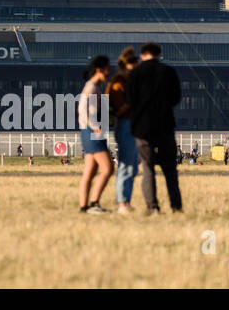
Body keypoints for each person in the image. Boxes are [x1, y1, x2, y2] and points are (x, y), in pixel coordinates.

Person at [127, 42, 182, 214]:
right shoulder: (168, 72)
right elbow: (176, 98)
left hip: (142, 128)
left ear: (142, 55)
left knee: (148, 168)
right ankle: (176, 206)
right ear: (159, 54)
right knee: (170, 169)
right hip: (165, 125)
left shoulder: (135, 73)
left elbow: (129, 100)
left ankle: (152, 207)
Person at [78, 55, 114, 214]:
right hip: (92, 132)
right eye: (107, 68)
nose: (110, 71)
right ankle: (94, 203)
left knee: (90, 171)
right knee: (108, 169)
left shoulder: (95, 86)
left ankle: (84, 206)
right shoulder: (91, 87)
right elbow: (83, 110)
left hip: (88, 132)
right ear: (99, 70)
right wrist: (96, 128)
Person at [107, 46, 139, 214]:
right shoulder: (118, 83)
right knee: (126, 165)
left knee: (133, 165)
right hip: (125, 123)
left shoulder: (132, 81)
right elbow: (113, 107)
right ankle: (122, 202)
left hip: (134, 124)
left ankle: (126, 200)